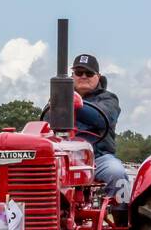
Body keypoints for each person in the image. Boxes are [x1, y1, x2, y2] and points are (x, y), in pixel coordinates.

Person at [47, 52, 127, 198]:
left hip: (98, 159)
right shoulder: (59, 100)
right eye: (79, 72)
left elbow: (102, 119)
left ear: (98, 76)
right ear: (72, 75)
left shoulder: (108, 99)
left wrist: (77, 104)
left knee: (117, 173)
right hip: (63, 160)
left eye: (89, 73)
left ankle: (121, 215)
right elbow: (45, 125)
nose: (83, 76)